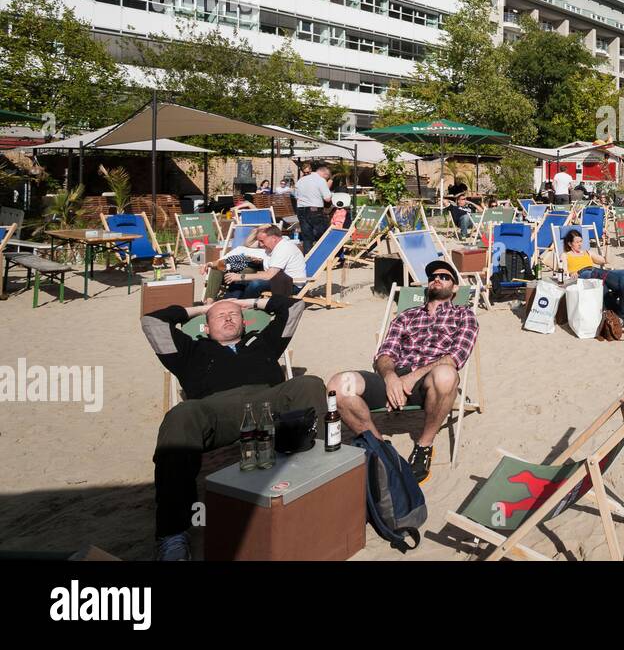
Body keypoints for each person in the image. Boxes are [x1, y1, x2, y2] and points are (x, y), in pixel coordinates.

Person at [143, 294, 324, 560]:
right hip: (216, 411)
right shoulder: (189, 351)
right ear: (205, 327)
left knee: (309, 383)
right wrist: (204, 308)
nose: (228, 317)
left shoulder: (262, 342)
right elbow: (152, 322)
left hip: (268, 402)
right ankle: (172, 534)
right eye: (219, 316)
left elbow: (295, 306)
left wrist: (249, 302)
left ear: (244, 321)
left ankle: (321, 479)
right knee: (181, 415)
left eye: (234, 314)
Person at [326, 260, 479, 484]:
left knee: (447, 375)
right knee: (338, 385)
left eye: (445, 277)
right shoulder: (406, 316)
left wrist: (413, 376)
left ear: (455, 288)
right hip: (394, 379)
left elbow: (456, 357)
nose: (437, 279)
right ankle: (380, 449)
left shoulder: (464, 316)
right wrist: (390, 377)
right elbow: (385, 353)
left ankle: (424, 445)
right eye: (433, 276)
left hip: (429, 381)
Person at [219, 225, 308, 299]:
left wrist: (240, 276)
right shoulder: (271, 246)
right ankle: (229, 302)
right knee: (241, 279)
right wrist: (257, 229)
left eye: (262, 241)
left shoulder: (284, 248)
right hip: (278, 280)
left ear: (274, 238)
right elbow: (247, 245)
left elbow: (269, 275)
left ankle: (244, 306)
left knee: (255, 283)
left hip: (291, 285)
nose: (260, 244)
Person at [295, 162, 333, 254]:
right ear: (325, 174)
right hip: (315, 210)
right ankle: (322, 257)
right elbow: (327, 198)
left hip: (301, 209)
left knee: (307, 237)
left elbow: (296, 196)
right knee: (323, 234)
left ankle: (308, 259)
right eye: (327, 178)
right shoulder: (320, 180)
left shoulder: (300, 181)